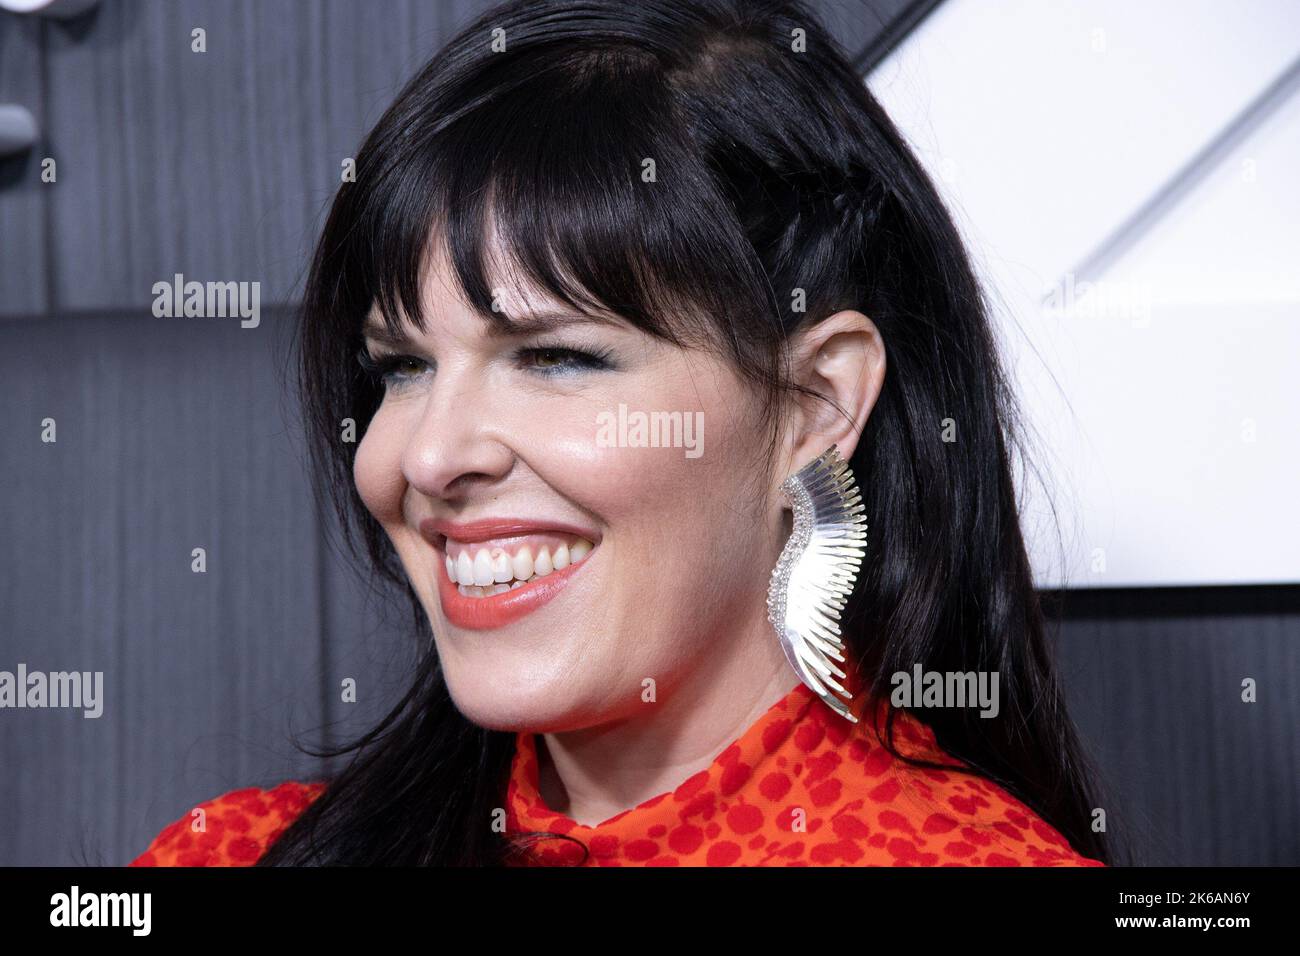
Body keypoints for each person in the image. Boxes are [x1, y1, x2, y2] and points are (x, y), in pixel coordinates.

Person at [132, 0, 1114, 867]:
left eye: (555, 357)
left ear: (815, 404)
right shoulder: (232, 851)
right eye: (402, 365)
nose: (428, 457)